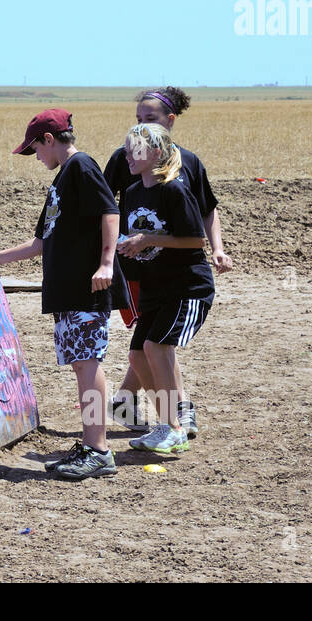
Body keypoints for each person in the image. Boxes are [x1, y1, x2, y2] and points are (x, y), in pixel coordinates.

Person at [0, 108, 129, 480]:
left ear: (49, 139)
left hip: (88, 287)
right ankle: (93, 445)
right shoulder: (63, 178)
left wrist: (106, 264)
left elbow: (110, 213)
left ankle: (98, 449)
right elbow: (42, 241)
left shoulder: (82, 167)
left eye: (36, 149)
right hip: (68, 291)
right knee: (81, 363)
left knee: (88, 363)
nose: (37, 157)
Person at [103, 87, 230, 438]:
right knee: (147, 346)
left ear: (168, 122)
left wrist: (217, 249)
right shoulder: (126, 162)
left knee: (156, 345)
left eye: (150, 120)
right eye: (138, 119)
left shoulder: (185, 166)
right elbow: (104, 207)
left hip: (178, 276)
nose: (140, 126)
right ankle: (154, 411)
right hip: (138, 273)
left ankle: (168, 416)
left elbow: (204, 212)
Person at [116, 123, 215, 456]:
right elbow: (133, 237)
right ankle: (167, 424)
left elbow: (195, 239)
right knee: (137, 353)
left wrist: (149, 239)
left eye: (135, 149)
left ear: (155, 153)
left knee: (156, 348)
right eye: (127, 149)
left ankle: (174, 429)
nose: (128, 155)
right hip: (155, 287)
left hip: (186, 286)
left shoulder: (173, 190)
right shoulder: (131, 193)